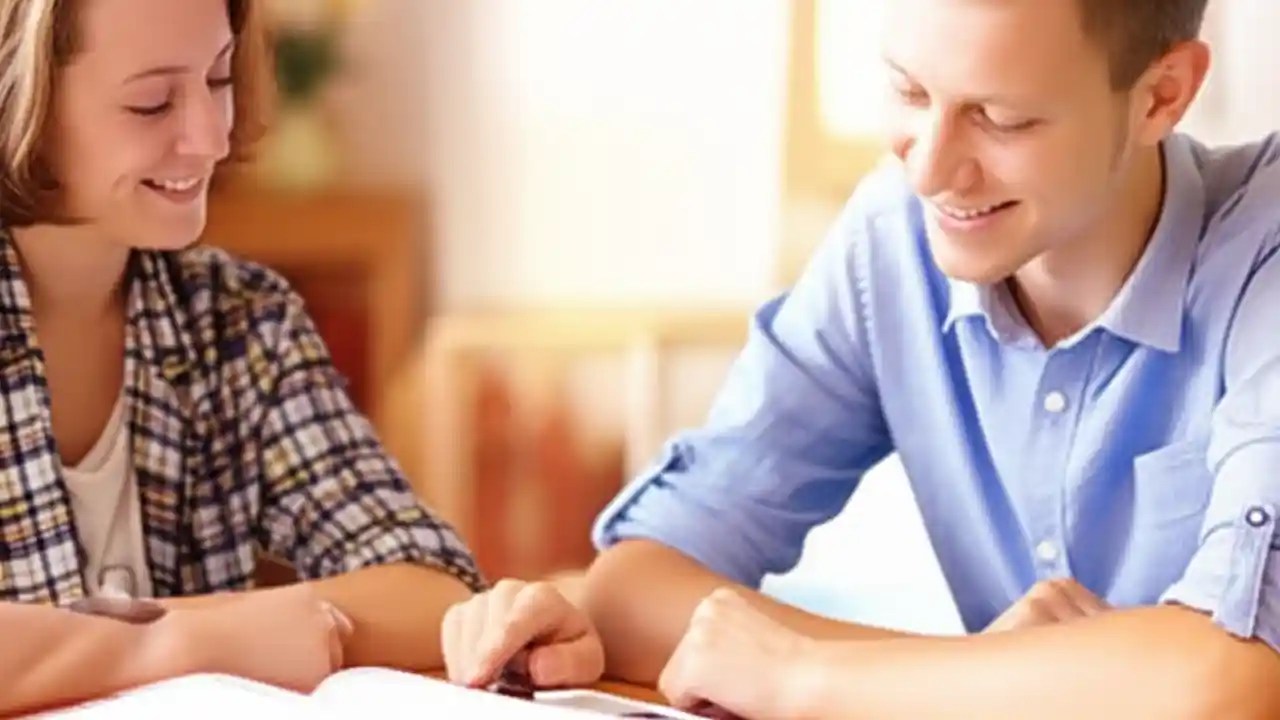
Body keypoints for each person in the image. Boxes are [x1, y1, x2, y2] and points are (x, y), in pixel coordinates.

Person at [441, 0, 1280, 716]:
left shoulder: (1263, 253)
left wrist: (805, 677)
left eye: (1002, 118)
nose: (930, 168)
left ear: (1162, 96)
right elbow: (637, 585)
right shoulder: (896, 242)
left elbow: (1231, 680)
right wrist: (978, 682)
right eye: (910, 91)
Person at [0, 0, 482, 715]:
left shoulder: (240, 320)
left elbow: (433, 588)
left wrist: (136, 637)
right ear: (17, 100)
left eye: (219, 79)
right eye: (151, 103)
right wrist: (179, 647)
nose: (208, 138)